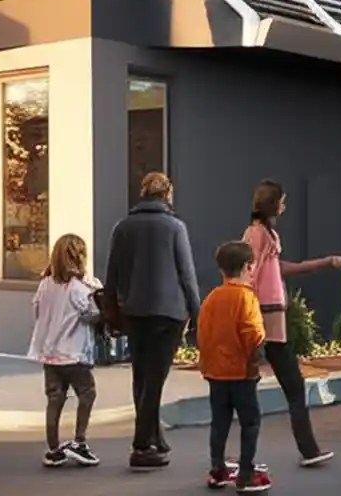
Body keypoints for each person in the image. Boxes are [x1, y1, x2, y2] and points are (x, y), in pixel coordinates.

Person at [243, 178, 341, 467]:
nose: (285, 206)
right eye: (282, 201)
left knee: (285, 387)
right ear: (273, 204)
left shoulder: (267, 235)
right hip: (263, 321)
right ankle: (302, 451)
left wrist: (324, 262)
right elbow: (249, 275)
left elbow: (279, 269)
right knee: (256, 388)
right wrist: (248, 314)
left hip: (272, 320)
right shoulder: (257, 235)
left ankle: (307, 450)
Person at [106, 172, 201, 470]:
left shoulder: (123, 227)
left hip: (135, 311)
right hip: (169, 313)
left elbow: (112, 274)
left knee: (142, 377)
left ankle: (154, 437)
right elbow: (187, 274)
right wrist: (198, 315)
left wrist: (111, 312)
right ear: (167, 194)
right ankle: (141, 445)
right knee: (155, 378)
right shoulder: (175, 227)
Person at [198, 240, 273, 492]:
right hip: (242, 373)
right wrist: (259, 360)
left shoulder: (211, 298)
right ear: (248, 267)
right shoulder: (246, 297)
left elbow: (203, 335)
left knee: (219, 423)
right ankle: (246, 474)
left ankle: (217, 470)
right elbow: (252, 333)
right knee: (250, 422)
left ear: (221, 269)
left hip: (216, 373)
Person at [28, 233, 102, 468]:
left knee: (54, 398)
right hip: (73, 353)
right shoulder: (78, 288)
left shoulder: (45, 284)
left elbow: (37, 312)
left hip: (49, 352)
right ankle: (79, 442)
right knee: (87, 393)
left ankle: (53, 449)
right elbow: (90, 315)